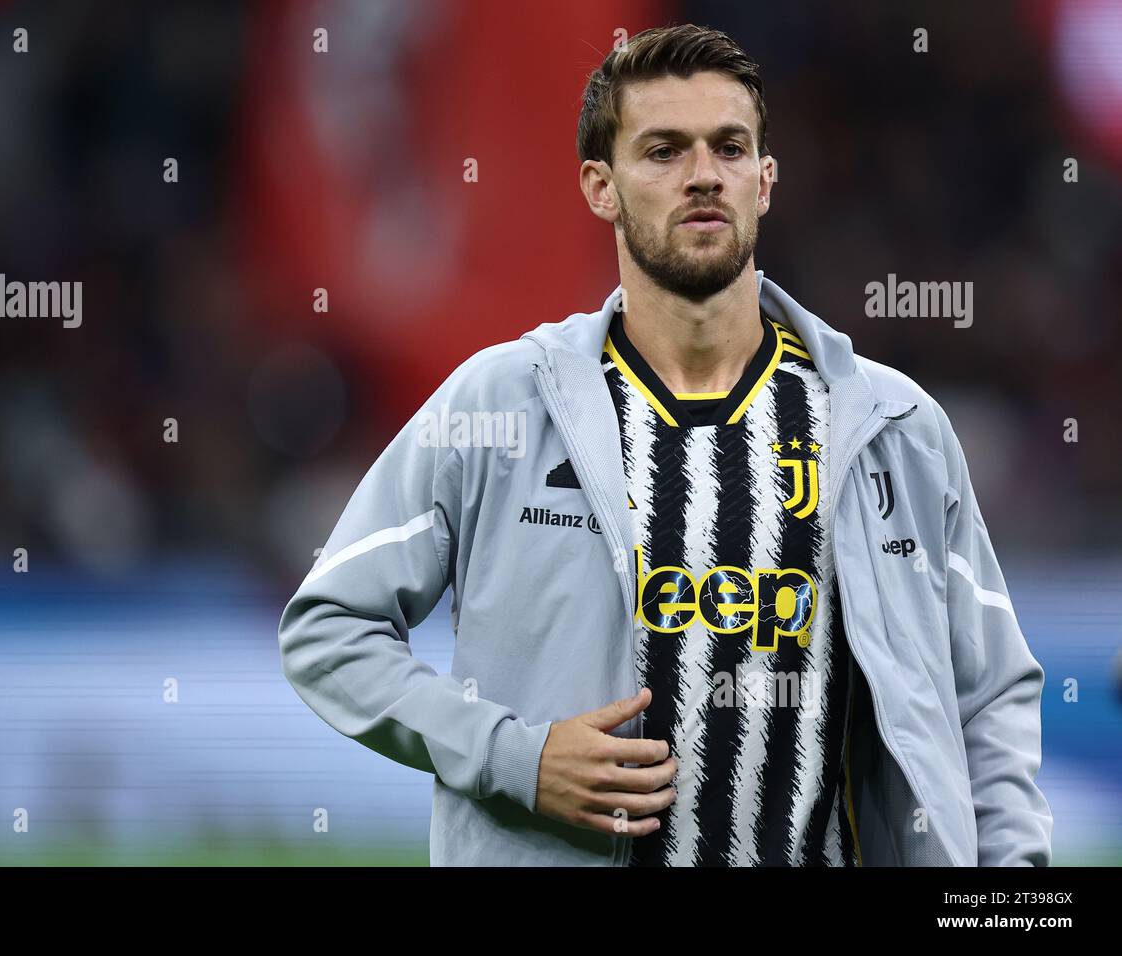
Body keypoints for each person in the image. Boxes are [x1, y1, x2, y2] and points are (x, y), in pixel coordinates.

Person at [277, 22, 1053, 866]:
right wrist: (516, 758)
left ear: (765, 180)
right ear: (600, 187)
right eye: (663, 151)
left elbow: (990, 693)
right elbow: (328, 628)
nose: (702, 176)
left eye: (728, 147)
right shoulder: (501, 404)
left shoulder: (891, 427)